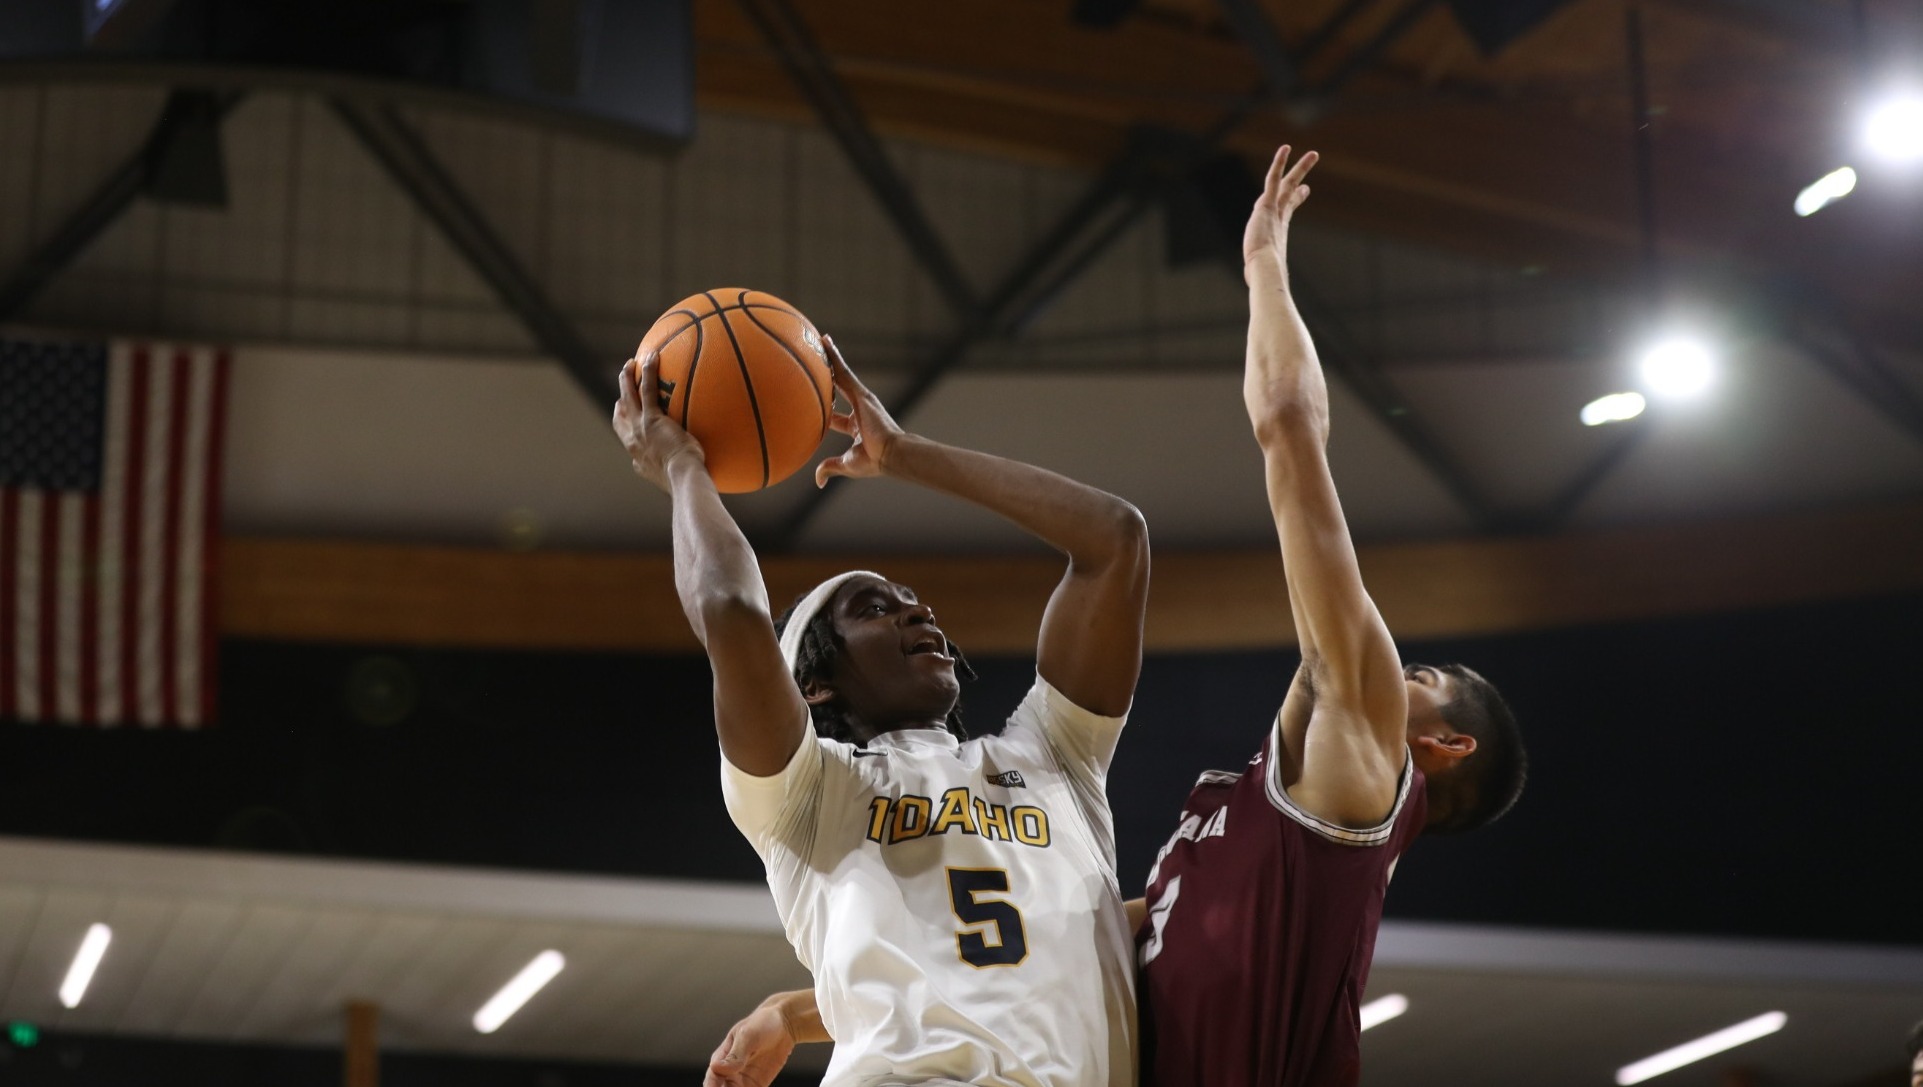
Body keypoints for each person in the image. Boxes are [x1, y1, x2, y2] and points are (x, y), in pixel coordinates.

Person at [702, 146, 1526, 1087]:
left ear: (1445, 746)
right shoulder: (1245, 815)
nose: (1395, 666)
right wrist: (794, 1011)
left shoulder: (1348, 781)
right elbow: (1054, 934)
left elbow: (1288, 426)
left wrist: (1262, 269)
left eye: (1419, 679)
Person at [613, 336, 1149, 1087]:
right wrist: (680, 467)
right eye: (875, 609)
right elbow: (730, 607)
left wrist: (904, 453)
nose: (916, 612)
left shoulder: (1051, 754)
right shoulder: (809, 791)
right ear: (815, 683)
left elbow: (1114, 541)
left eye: (916, 602)